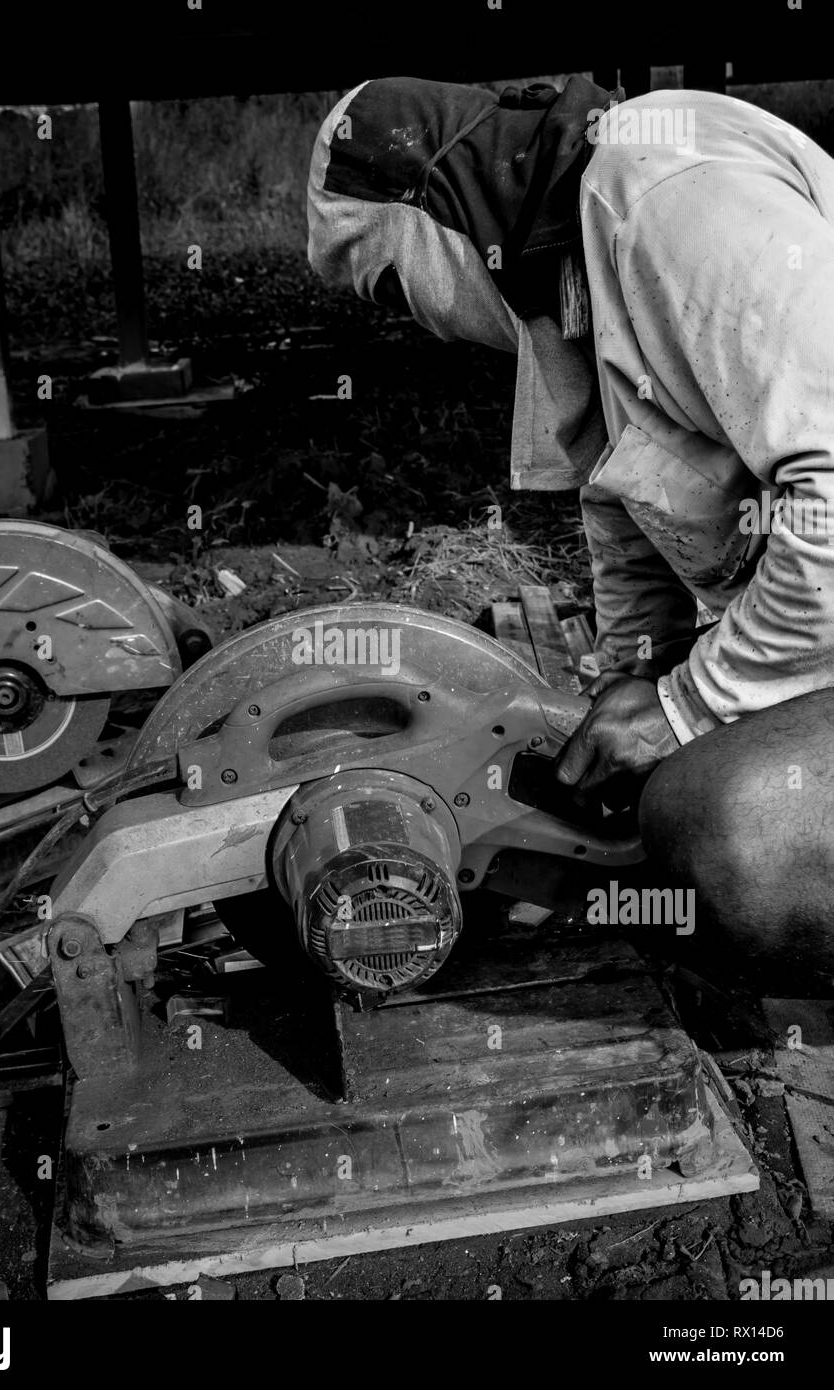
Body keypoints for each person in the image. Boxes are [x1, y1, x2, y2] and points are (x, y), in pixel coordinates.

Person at [307, 76, 834, 963]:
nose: (423, 325)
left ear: (428, 212)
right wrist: (633, 681)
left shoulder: (666, 194)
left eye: (394, 288)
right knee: (663, 796)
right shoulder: (567, 257)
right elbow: (628, 507)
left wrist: (686, 708)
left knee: (725, 825)